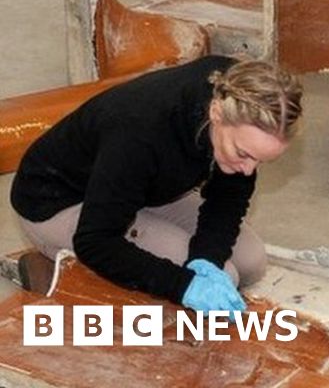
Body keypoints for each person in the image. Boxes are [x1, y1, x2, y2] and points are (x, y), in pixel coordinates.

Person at [10, 55, 302, 312]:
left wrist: (207, 258)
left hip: (138, 189)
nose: (248, 169)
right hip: (58, 203)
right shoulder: (141, 133)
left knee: (251, 261)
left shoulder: (237, 90)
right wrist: (182, 285)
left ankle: (141, 248)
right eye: (243, 154)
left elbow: (227, 199)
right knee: (225, 275)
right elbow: (95, 241)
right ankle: (57, 272)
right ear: (216, 114)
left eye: (261, 161)